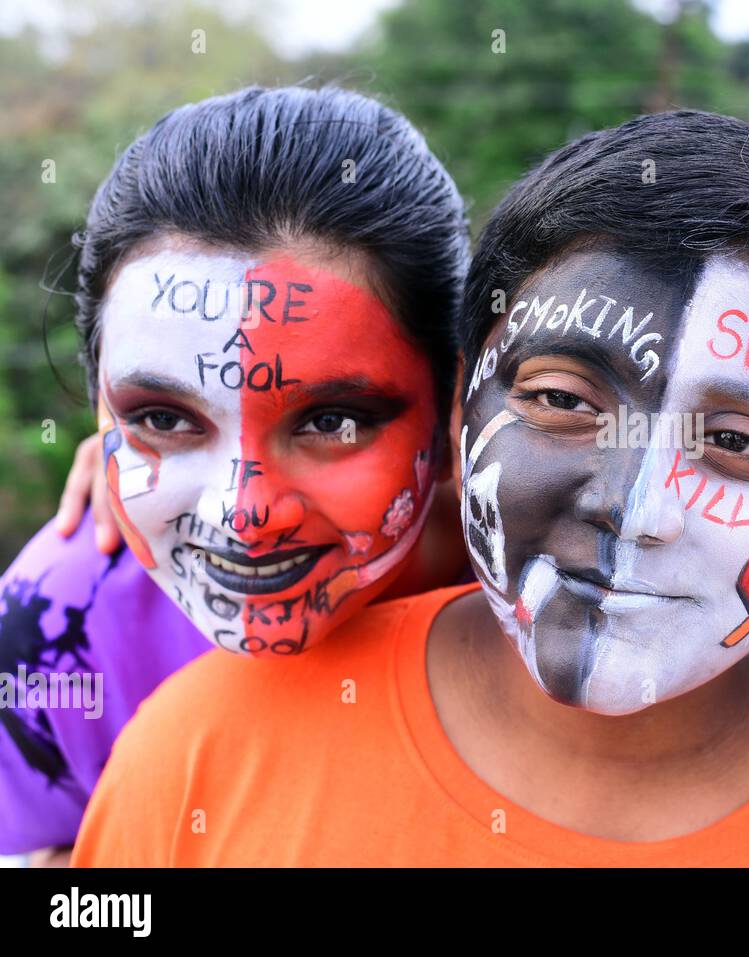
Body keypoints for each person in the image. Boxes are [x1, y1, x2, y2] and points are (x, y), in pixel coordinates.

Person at [72, 110, 749, 867]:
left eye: (734, 442)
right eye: (562, 400)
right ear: (458, 414)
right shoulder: (208, 744)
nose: (632, 506)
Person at [0, 85, 472, 862]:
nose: (242, 512)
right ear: (98, 410)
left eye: (330, 422)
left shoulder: (571, 600)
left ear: (454, 410)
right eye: (163, 417)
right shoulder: (59, 629)